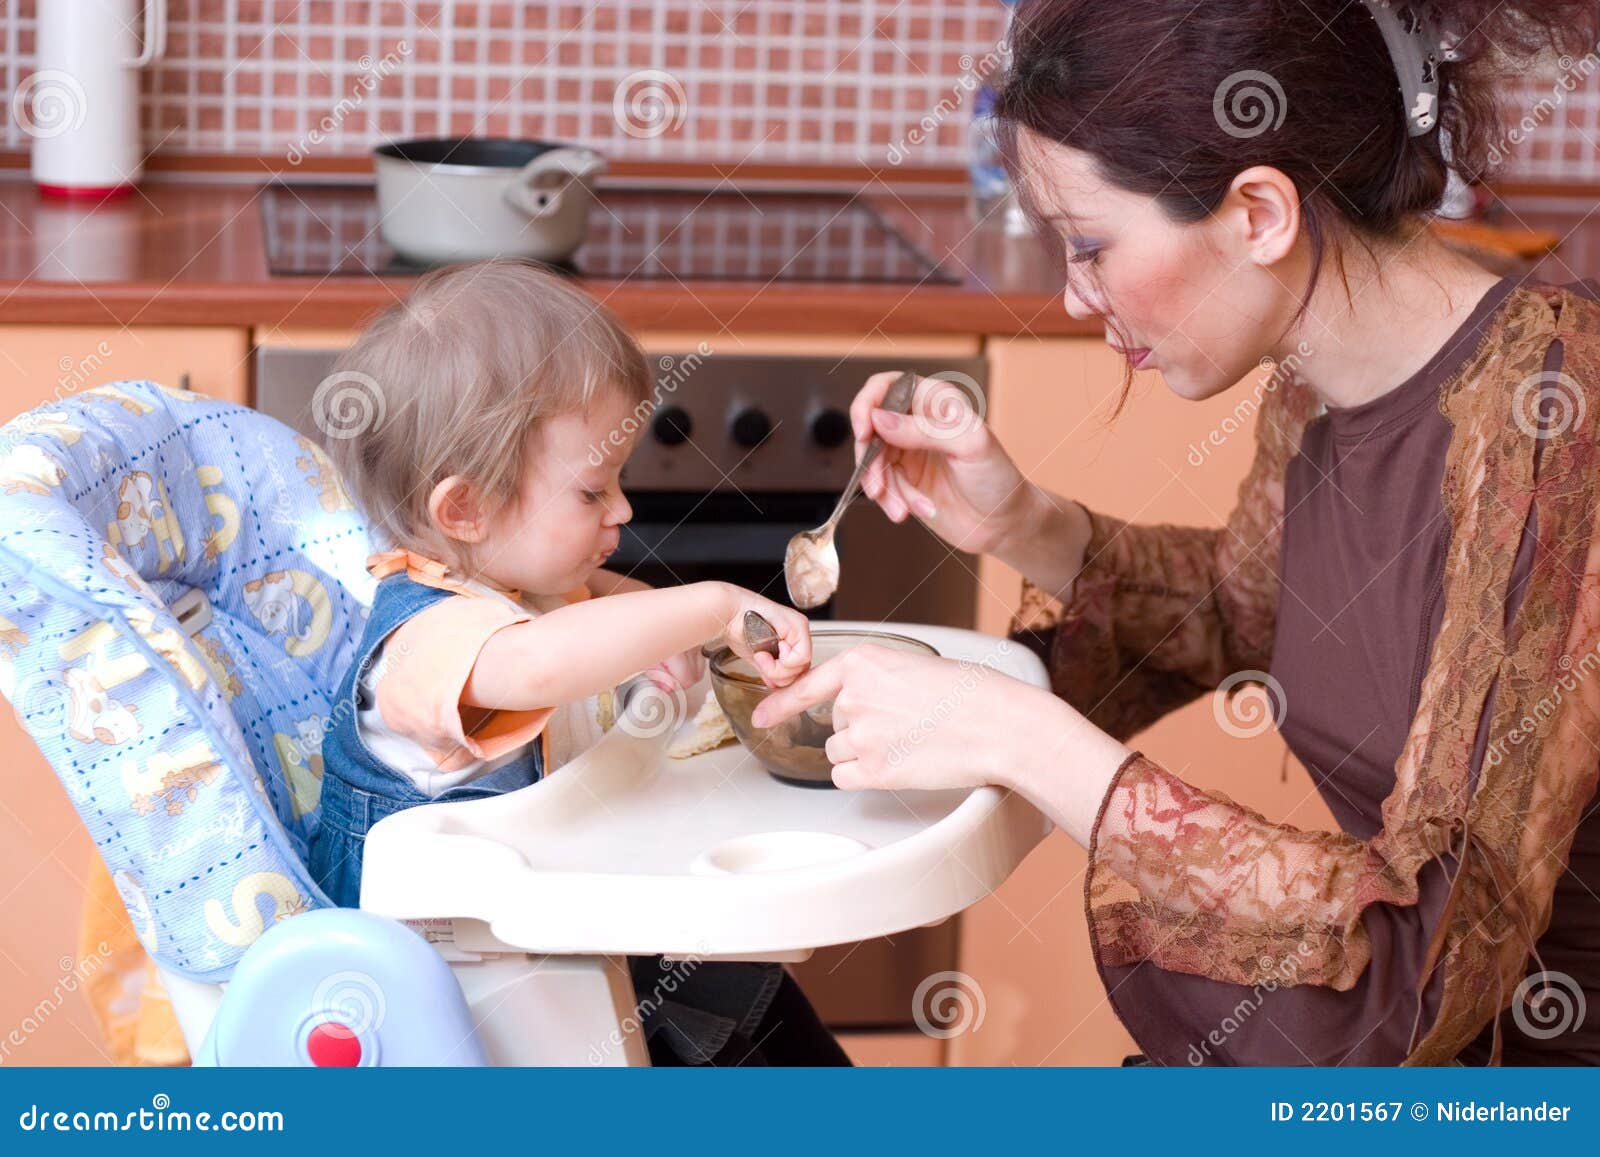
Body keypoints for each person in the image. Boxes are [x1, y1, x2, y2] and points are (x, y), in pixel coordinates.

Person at [756, 0, 1600, 1064]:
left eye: (1092, 248)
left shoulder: (1554, 429)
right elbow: (1247, 611)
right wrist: (1021, 520)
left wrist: (1027, 737)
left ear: (1257, 213)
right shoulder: (1315, 381)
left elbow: (1418, 969)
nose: (1073, 298)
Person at [307, 259, 845, 1066]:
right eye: (594, 491)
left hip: (559, 943)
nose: (624, 509)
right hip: (454, 1009)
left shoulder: (528, 584)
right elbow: (528, 668)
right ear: (465, 509)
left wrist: (663, 633)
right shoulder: (421, 644)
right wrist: (704, 605)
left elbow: (590, 613)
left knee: (762, 1006)